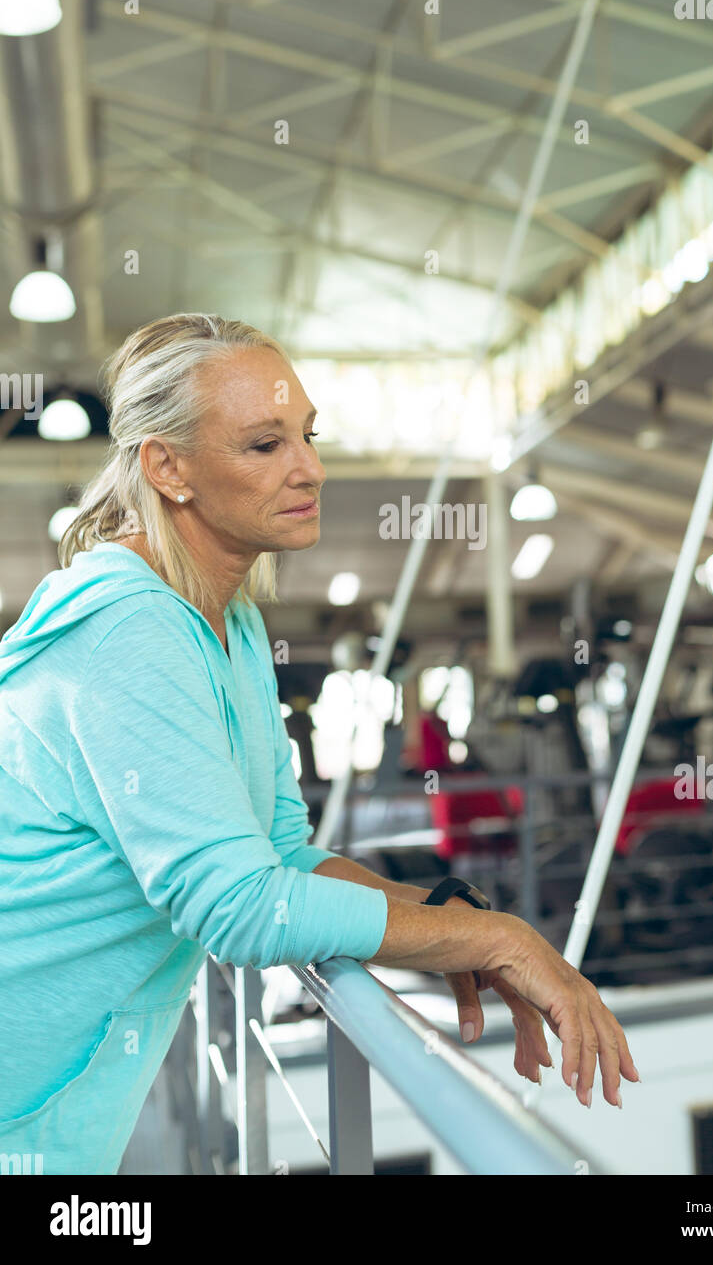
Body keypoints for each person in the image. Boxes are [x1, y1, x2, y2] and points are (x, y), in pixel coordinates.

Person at [0, 313, 638, 1175]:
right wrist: (502, 944)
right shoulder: (129, 631)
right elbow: (233, 902)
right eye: (264, 445)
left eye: (307, 434)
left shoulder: (231, 624)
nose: (310, 468)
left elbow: (280, 854)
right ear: (167, 467)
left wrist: (452, 921)